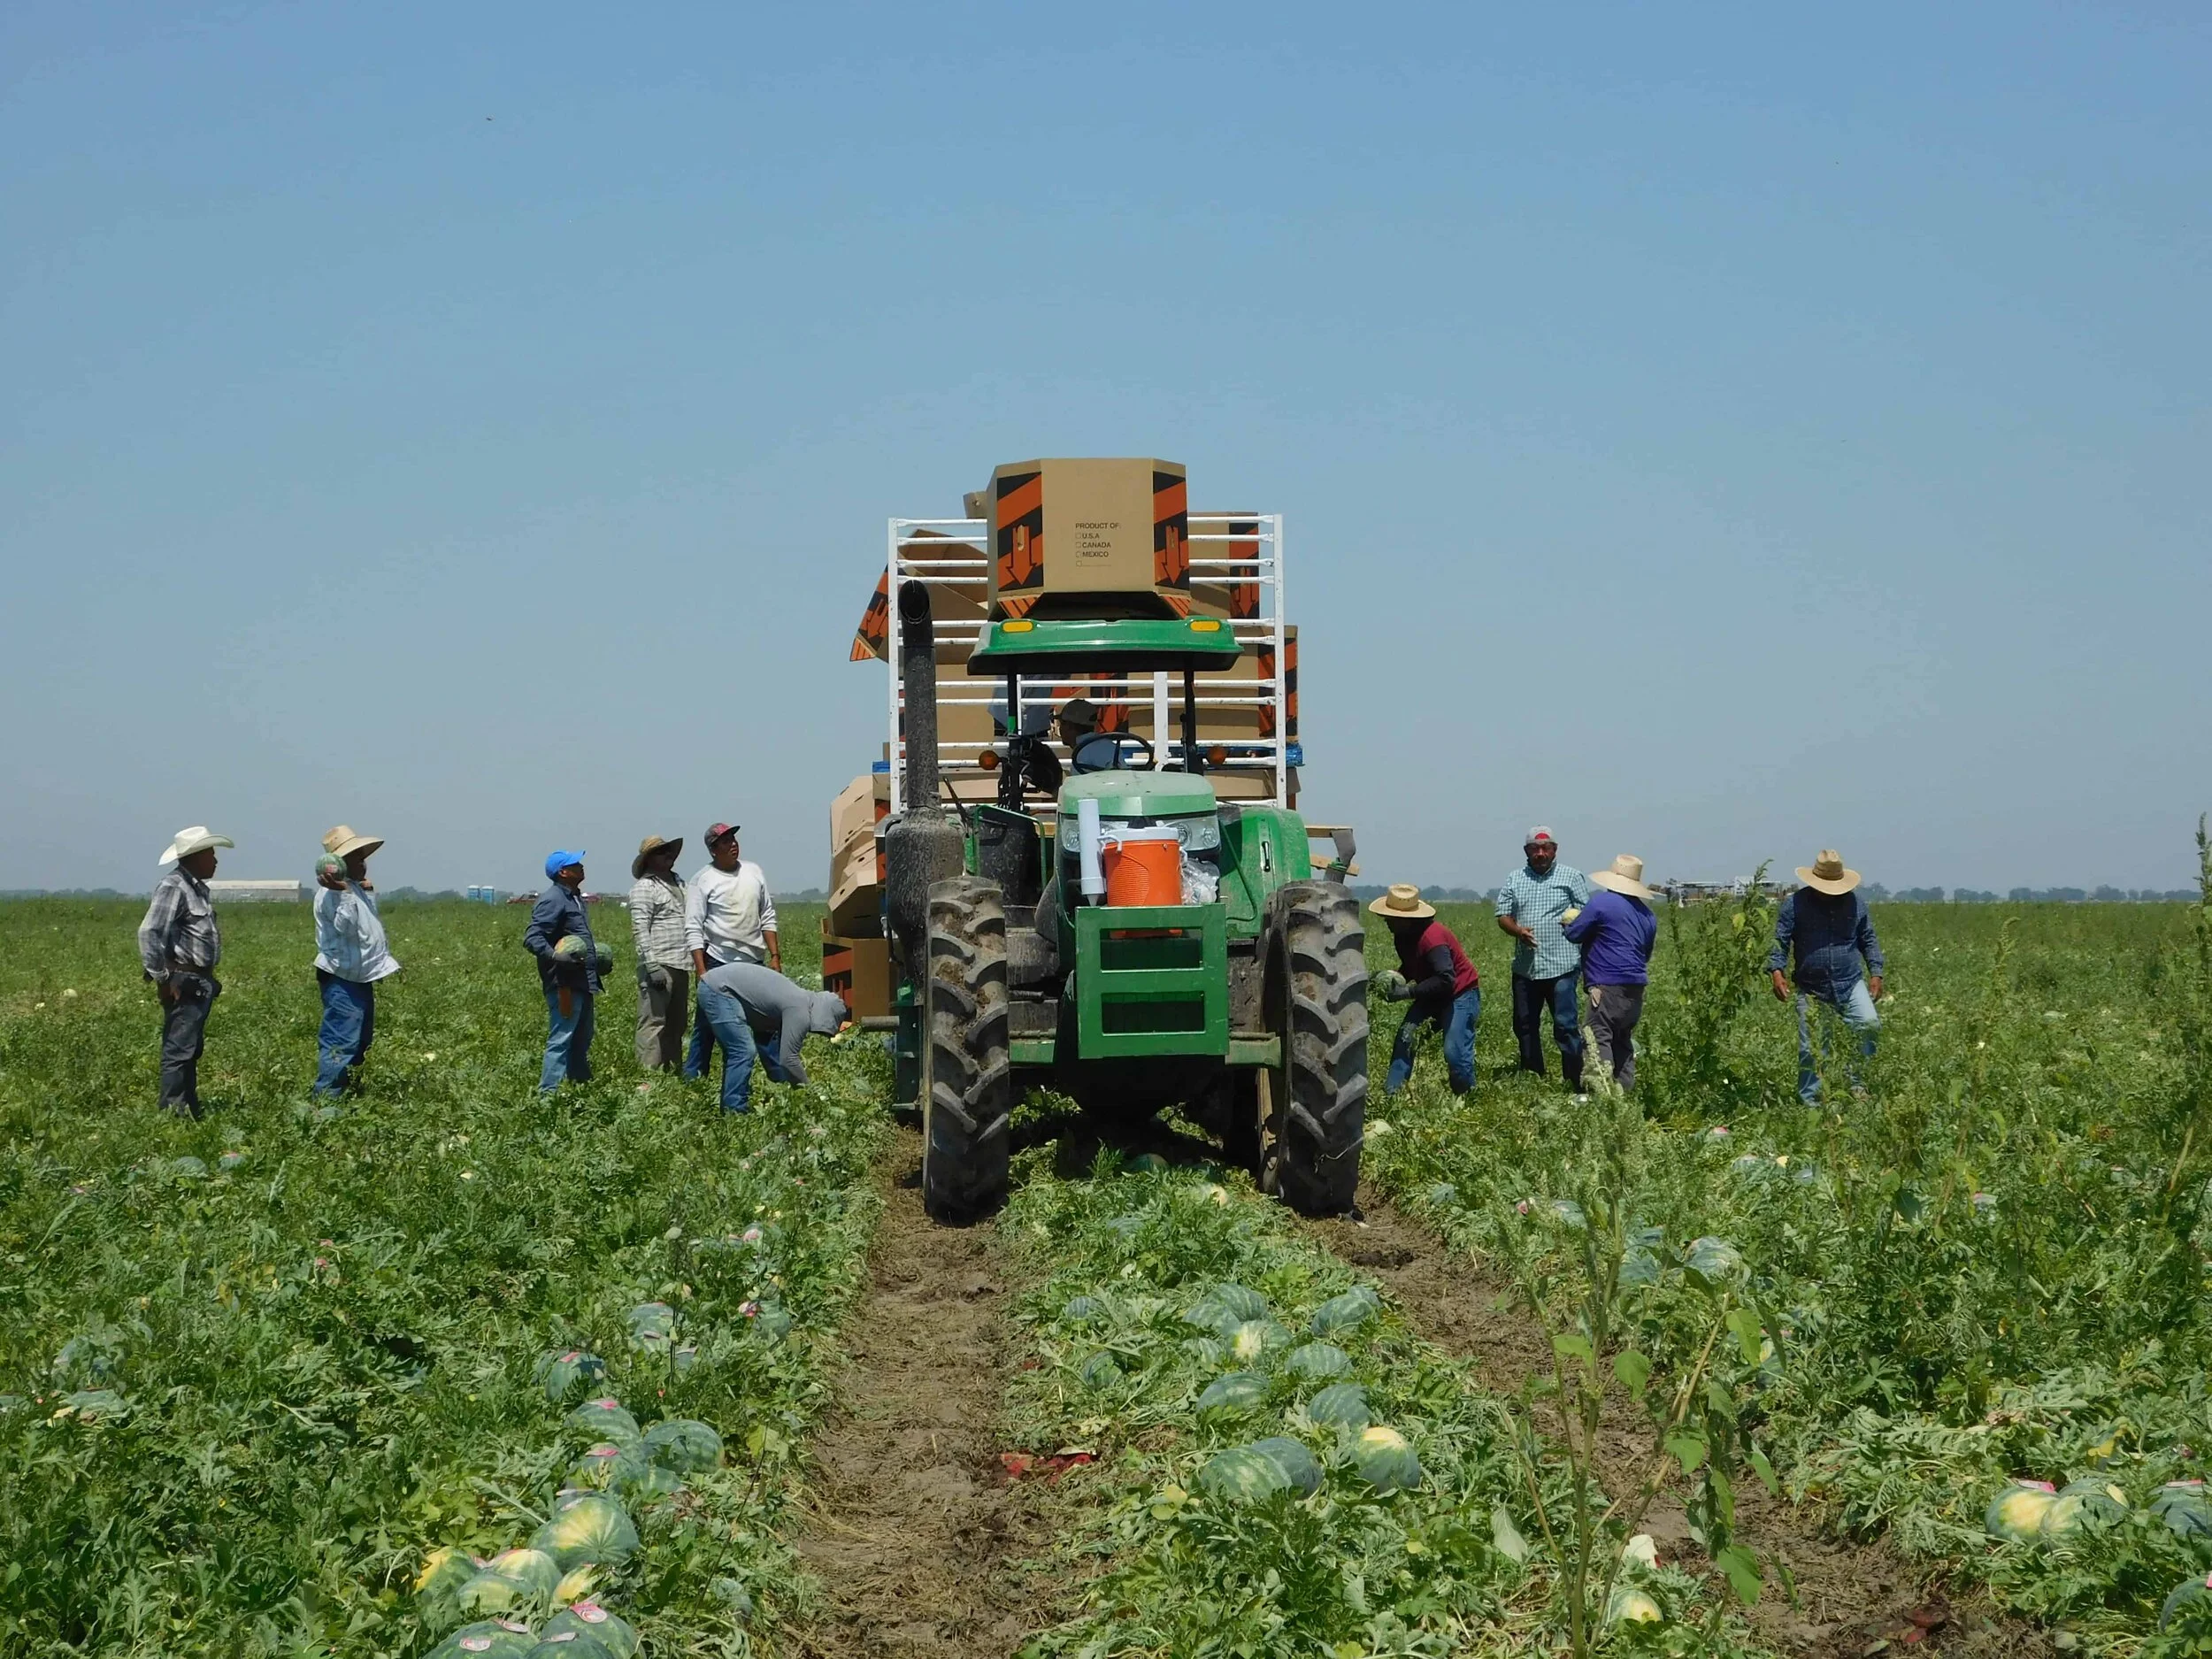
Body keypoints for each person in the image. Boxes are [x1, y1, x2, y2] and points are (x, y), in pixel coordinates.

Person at [1770, 849, 1886, 1104]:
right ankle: (1811, 1102)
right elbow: (1780, 941)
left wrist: (1876, 971)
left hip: (1849, 981)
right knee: (1811, 1048)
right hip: (1812, 987)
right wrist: (1776, 971)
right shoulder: (1795, 904)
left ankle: (1857, 1085)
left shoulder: (1856, 903)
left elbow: (1868, 939)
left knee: (1869, 1025)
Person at [136, 826, 234, 1117]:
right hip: (183, 979)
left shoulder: (195, 888)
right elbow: (149, 932)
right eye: (211, 854)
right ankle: (173, 1115)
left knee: (191, 1048)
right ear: (195, 857)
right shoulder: (174, 886)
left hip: (198, 979)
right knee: (179, 1050)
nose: (216, 861)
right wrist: (162, 979)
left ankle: (190, 1107)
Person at [1495, 826, 1591, 1090]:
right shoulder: (1515, 878)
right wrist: (1518, 931)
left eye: (1545, 848)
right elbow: (1503, 915)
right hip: (1527, 967)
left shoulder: (1571, 877)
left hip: (1563, 965)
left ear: (1554, 850)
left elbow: (1586, 911)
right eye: (1535, 849)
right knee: (1525, 1024)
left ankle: (1575, 1080)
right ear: (1526, 851)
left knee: (1565, 1025)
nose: (1540, 853)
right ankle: (1533, 1076)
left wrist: (1575, 925)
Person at [684, 823, 780, 1080]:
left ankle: (780, 1079)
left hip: (754, 963)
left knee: (767, 1023)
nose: (733, 844)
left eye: (733, 839)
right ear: (713, 850)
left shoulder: (753, 872)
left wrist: (775, 957)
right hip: (719, 963)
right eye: (725, 841)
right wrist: (702, 971)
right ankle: (694, 1078)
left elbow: (767, 915)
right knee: (707, 1027)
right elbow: (693, 926)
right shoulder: (702, 880)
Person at [693, 959, 850, 1114]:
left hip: (715, 983)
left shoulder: (800, 999)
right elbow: (788, 1060)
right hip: (719, 989)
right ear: (824, 1016)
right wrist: (808, 1095)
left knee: (736, 1050)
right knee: (743, 1050)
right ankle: (734, 1112)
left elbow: (773, 1045)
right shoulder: (799, 1011)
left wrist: (784, 1085)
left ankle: (727, 1103)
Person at [311, 825, 400, 1097]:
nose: (364, 864)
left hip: (359, 978)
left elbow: (367, 926)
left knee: (360, 1041)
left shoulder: (353, 889)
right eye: (357, 858)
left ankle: (350, 1095)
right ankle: (326, 1106)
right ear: (340, 864)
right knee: (341, 1042)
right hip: (343, 979)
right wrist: (342, 891)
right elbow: (346, 927)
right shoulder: (332, 894)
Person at [1371, 884, 1480, 1095]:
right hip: (1431, 993)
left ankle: (1466, 1097)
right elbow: (1414, 965)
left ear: (1407, 919)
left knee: (1454, 1051)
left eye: (1390, 918)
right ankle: (1392, 1096)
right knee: (1405, 1039)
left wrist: (1407, 992)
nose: (1386, 921)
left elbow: (1445, 979)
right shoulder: (1402, 936)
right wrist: (1393, 979)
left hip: (1459, 994)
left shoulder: (1433, 938)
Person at [1563, 855, 1658, 1090]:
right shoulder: (1648, 916)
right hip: (1635, 987)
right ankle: (1624, 1093)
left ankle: (1603, 1096)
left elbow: (1575, 934)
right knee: (1622, 1041)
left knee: (1598, 1038)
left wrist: (1567, 925)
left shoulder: (1601, 903)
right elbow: (1645, 954)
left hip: (1606, 985)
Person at [525, 850, 599, 1092]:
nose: (582, 866)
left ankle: (580, 1087)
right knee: (561, 1039)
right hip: (564, 982)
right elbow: (532, 937)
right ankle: (548, 1096)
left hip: (583, 980)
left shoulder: (574, 898)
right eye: (575, 864)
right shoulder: (554, 899)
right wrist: (556, 956)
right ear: (563, 872)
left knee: (581, 1039)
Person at [628, 834, 689, 1072]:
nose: (668, 855)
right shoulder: (645, 887)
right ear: (649, 859)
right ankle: (649, 1078)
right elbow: (640, 929)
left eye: (669, 851)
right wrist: (651, 965)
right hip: (660, 963)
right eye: (662, 852)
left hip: (681, 962)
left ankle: (673, 1071)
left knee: (677, 1024)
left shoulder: (680, 883)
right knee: (653, 1023)